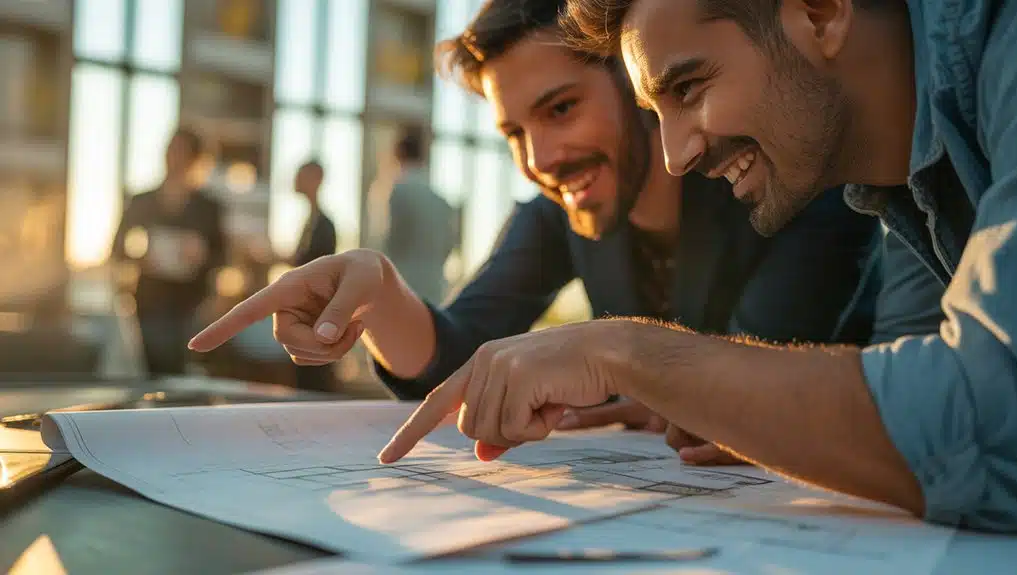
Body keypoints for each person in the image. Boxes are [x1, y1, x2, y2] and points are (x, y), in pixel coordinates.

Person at [376, 0, 1017, 531]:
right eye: (656, 110)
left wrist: (629, 354)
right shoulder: (899, 183)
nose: (674, 155)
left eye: (688, 86)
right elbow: (913, 414)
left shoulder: (1002, 54)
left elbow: (991, 420)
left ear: (822, 13)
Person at [189, 0, 880, 466]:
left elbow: (757, 376)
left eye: (561, 108)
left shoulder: (770, 175)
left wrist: (638, 376)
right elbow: (463, 356)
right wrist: (383, 297)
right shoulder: (555, 214)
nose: (540, 159)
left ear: (638, 82)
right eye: (515, 132)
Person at [112, 128, 227, 376]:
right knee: (153, 366)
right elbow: (118, 246)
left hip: (191, 302)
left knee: (180, 368)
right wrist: (141, 258)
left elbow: (221, 255)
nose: (174, 158)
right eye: (172, 150)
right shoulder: (143, 201)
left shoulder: (209, 207)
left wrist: (201, 254)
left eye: (182, 152)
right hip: (150, 299)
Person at [373, 126, 458, 306]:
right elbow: (449, 244)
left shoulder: (397, 190)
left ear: (397, 155)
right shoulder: (440, 199)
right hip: (434, 286)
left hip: (402, 285)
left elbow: (390, 241)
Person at [290, 159, 338, 391]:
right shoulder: (312, 222)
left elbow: (313, 269)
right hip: (308, 313)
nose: (295, 179)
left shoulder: (324, 225)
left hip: (314, 316)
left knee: (313, 379)